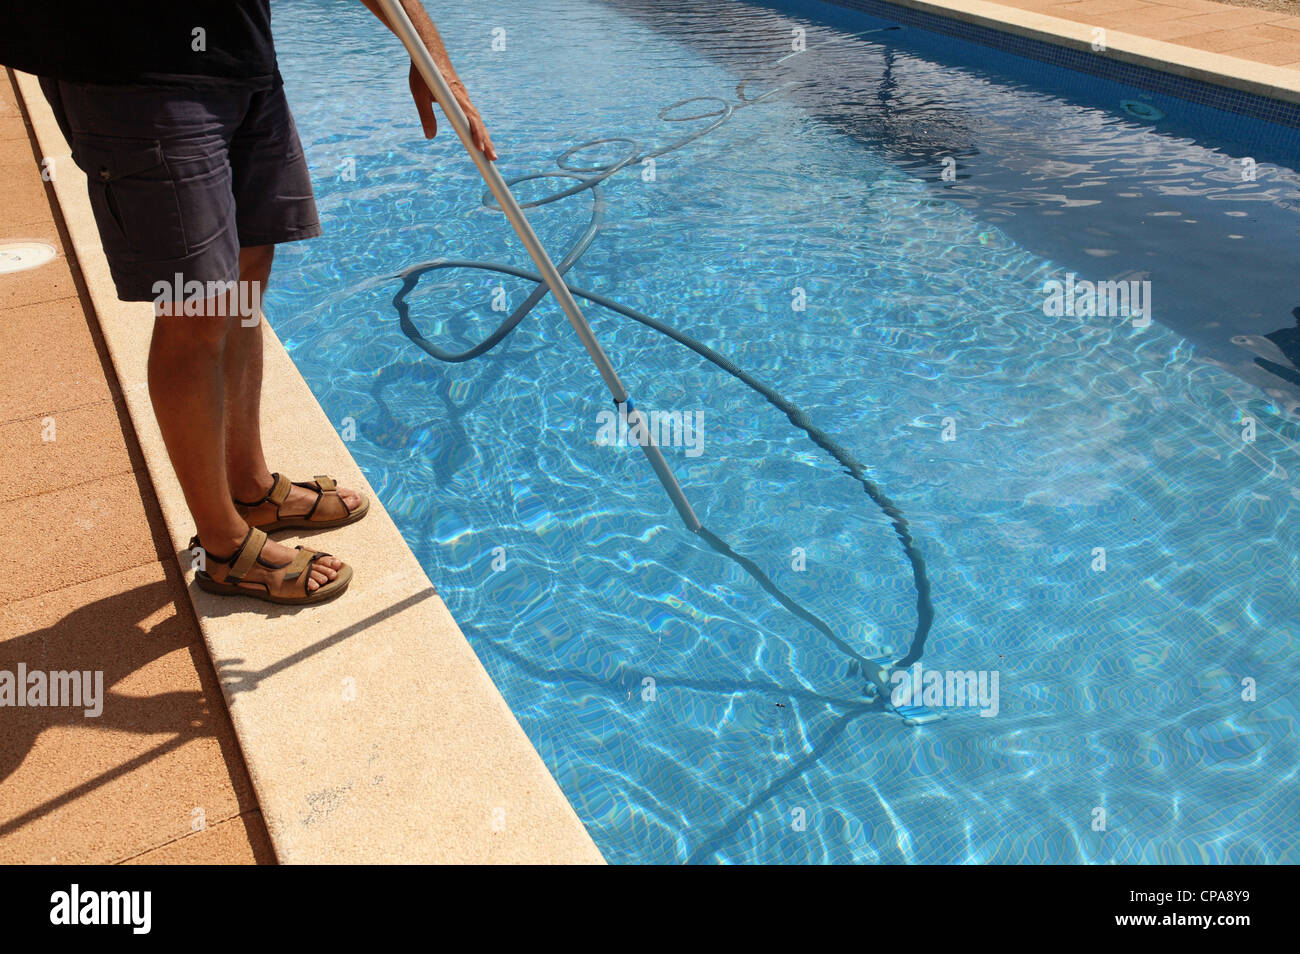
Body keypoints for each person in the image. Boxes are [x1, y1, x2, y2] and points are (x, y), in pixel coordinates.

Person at [0, 1, 497, 605]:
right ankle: (225, 548)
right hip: (135, 70)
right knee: (196, 307)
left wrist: (428, 54)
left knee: (245, 280)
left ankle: (251, 488)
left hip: (242, 58)